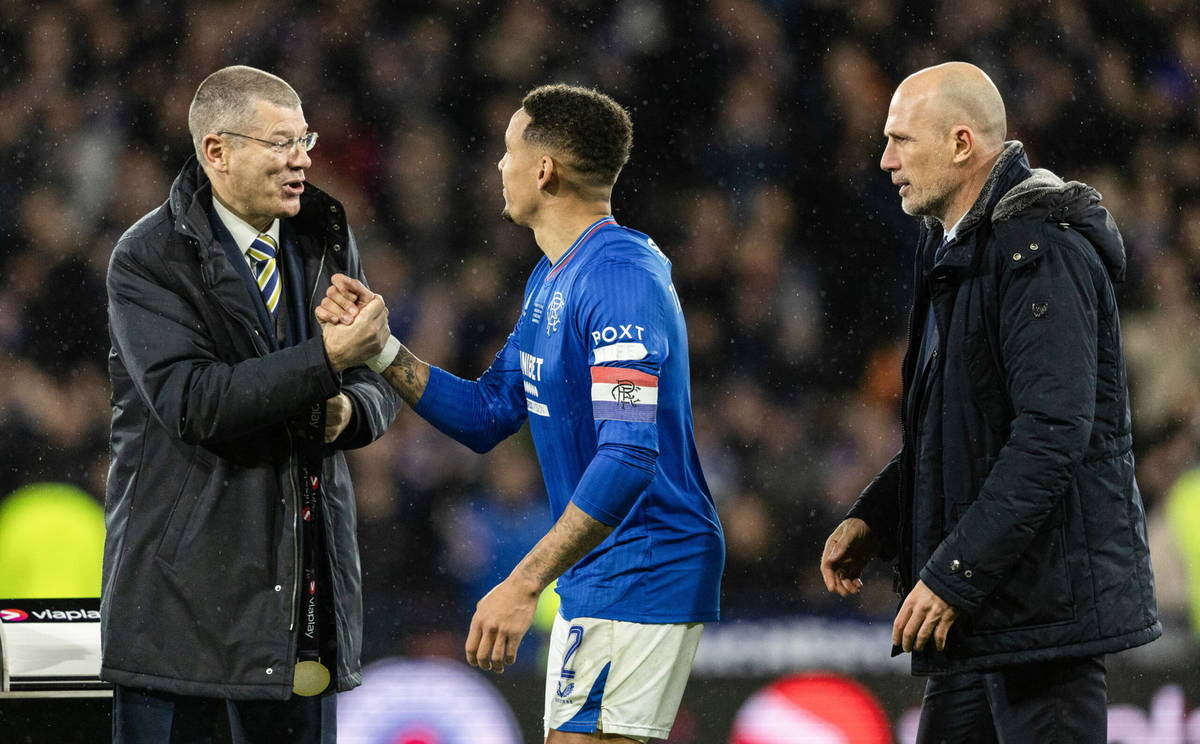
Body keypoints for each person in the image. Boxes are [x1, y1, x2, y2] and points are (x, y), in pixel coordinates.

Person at [317, 84, 725, 743]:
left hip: (645, 562)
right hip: (605, 568)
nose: (498, 166)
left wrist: (524, 580)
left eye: (509, 151)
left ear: (544, 170)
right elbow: (486, 412)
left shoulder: (619, 280)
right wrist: (382, 348)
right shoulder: (553, 279)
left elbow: (629, 454)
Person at [819, 61, 1160, 742]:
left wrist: (952, 575)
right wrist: (880, 517)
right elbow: (964, 428)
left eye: (901, 141)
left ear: (962, 144)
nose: (884, 160)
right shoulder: (964, 251)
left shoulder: (1038, 253)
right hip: (987, 614)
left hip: (1041, 622)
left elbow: (1051, 434)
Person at [103, 65, 400, 743]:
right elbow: (194, 402)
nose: (302, 160)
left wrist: (350, 412)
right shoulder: (149, 259)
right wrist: (326, 360)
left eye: (305, 140)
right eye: (279, 143)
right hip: (179, 615)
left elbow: (379, 374)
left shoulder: (322, 234)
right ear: (217, 151)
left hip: (299, 605)